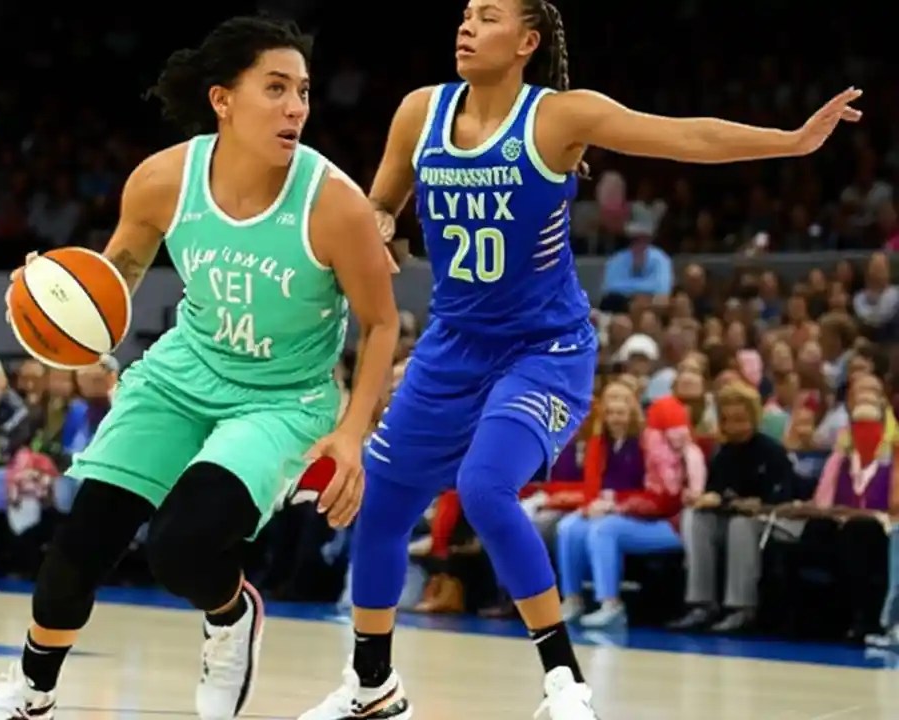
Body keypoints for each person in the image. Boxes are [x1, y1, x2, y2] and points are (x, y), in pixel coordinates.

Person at [299, 1, 862, 718]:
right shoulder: (419, 112)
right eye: (466, 13)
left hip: (545, 348)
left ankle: (564, 683)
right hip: (452, 345)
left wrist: (790, 141)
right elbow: (382, 201)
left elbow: (681, 136)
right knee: (378, 506)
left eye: (488, 16)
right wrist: (375, 230)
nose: (466, 25)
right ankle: (371, 685)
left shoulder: (559, 118)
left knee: (484, 487)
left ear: (527, 42)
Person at [0, 15, 399, 720]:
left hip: (282, 397)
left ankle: (231, 617)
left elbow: (383, 324)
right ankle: (31, 694)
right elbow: (118, 277)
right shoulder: (164, 179)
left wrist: (350, 434)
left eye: (304, 91)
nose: (296, 107)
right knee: (85, 538)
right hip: (183, 372)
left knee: (181, 548)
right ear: (222, 99)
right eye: (276, 88)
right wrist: (55, 291)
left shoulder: (333, 205)